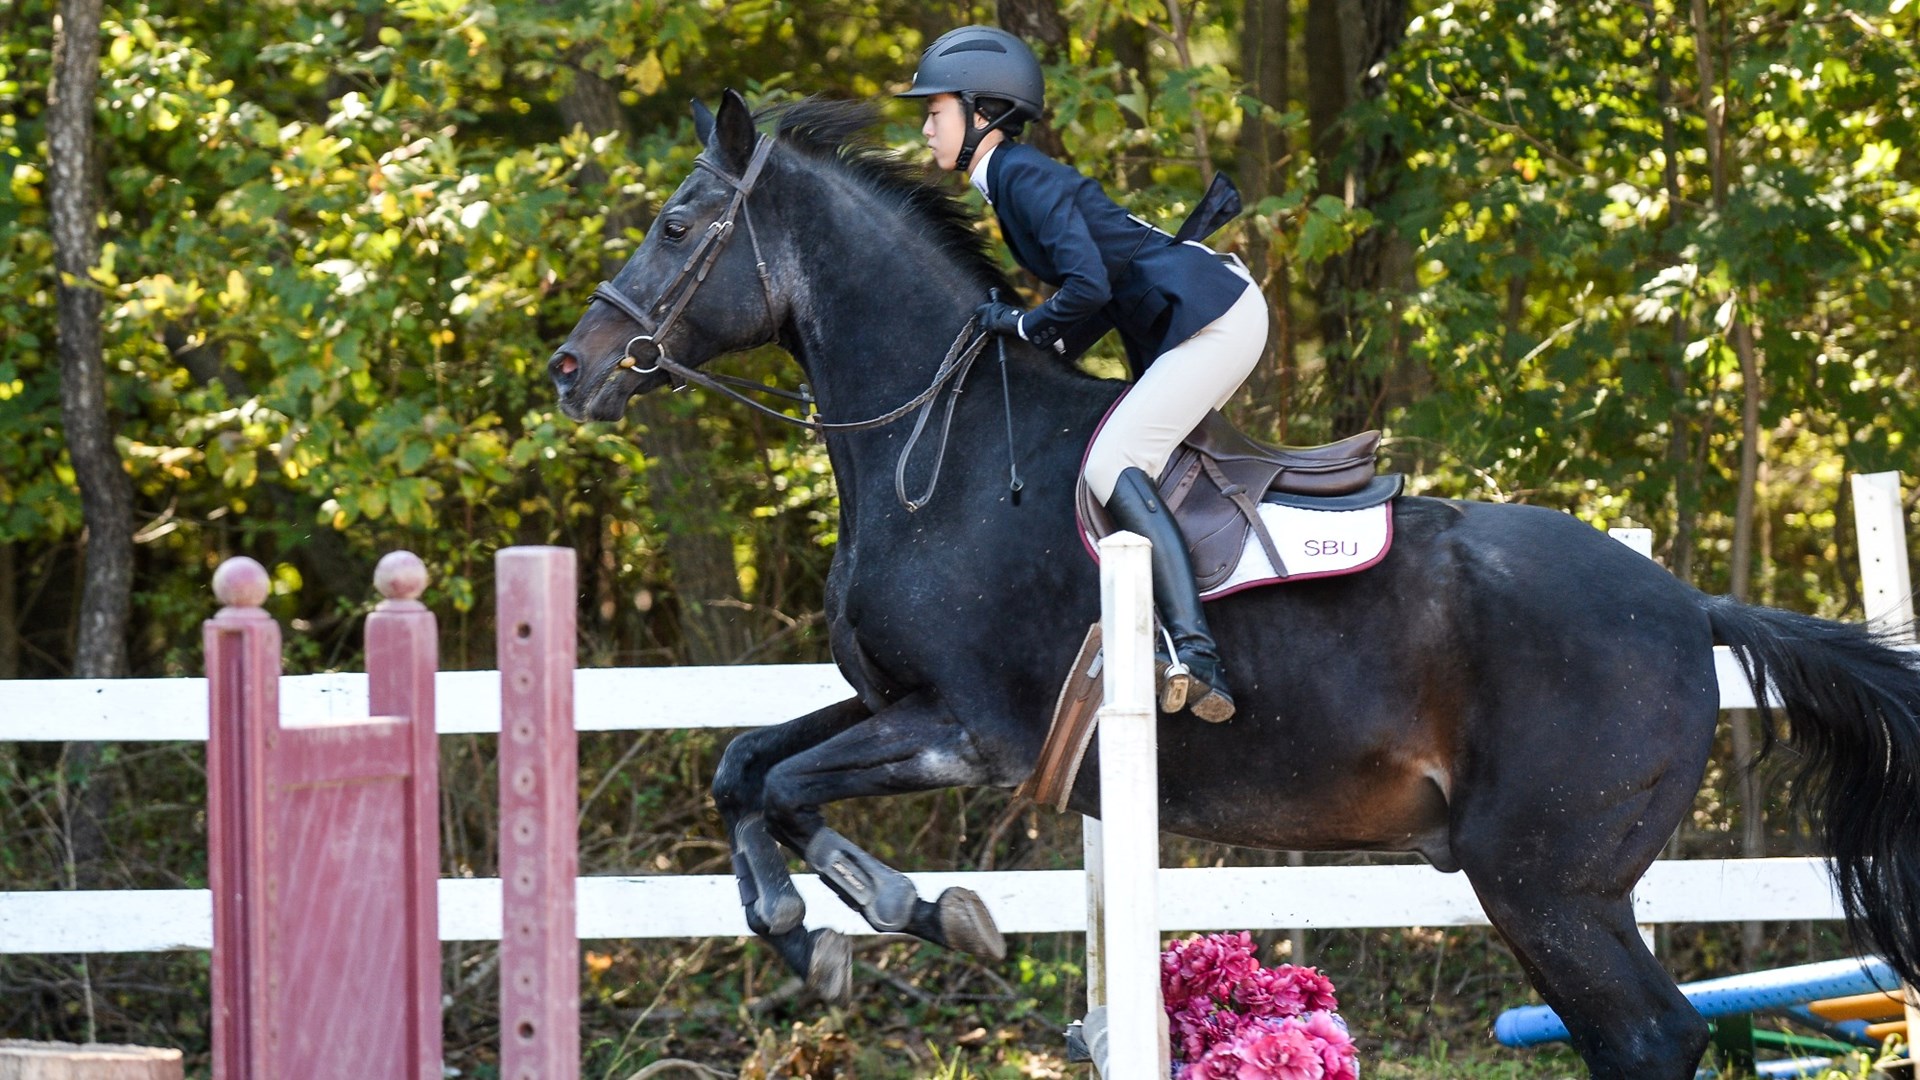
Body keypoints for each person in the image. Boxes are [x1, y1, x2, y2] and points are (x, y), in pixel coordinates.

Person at [899, 26, 1269, 723]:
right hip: (1200, 315)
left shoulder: (1023, 178)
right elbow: (1098, 288)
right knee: (1123, 461)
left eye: (935, 111)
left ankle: (1199, 655)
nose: (925, 128)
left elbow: (1089, 288)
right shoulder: (1009, 183)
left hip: (1217, 316)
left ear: (982, 113)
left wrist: (1021, 326)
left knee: (1114, 463)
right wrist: (1038, 346)